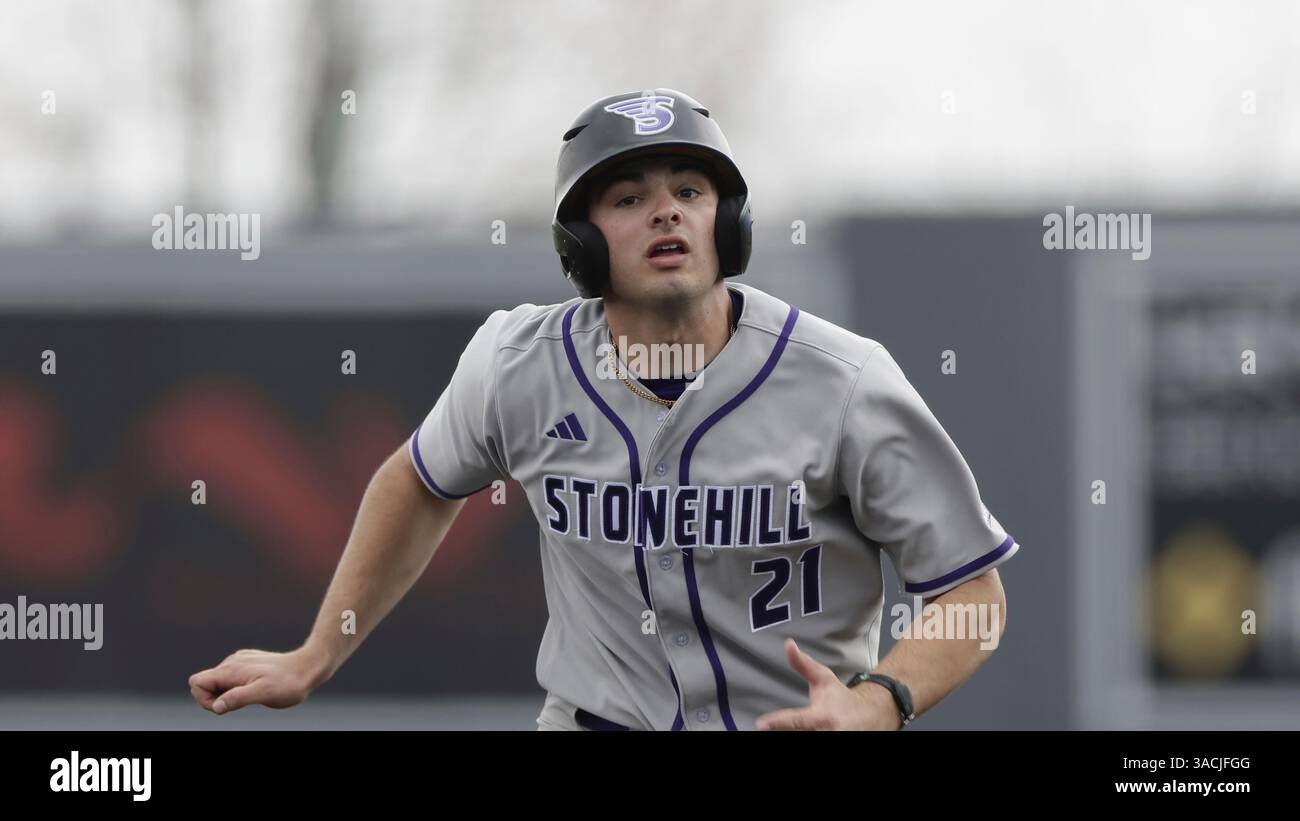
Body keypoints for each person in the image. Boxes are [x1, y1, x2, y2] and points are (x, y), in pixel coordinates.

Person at [189, 88, 1018, 731]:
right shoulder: (519, 365)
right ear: (579, 247)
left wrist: (880, 701)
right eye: (627, 197)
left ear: (726, 223)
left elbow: (973, 591)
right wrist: (316, 653)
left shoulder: (843, 381)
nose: (666, 210)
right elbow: (417, 481)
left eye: (690, 190)